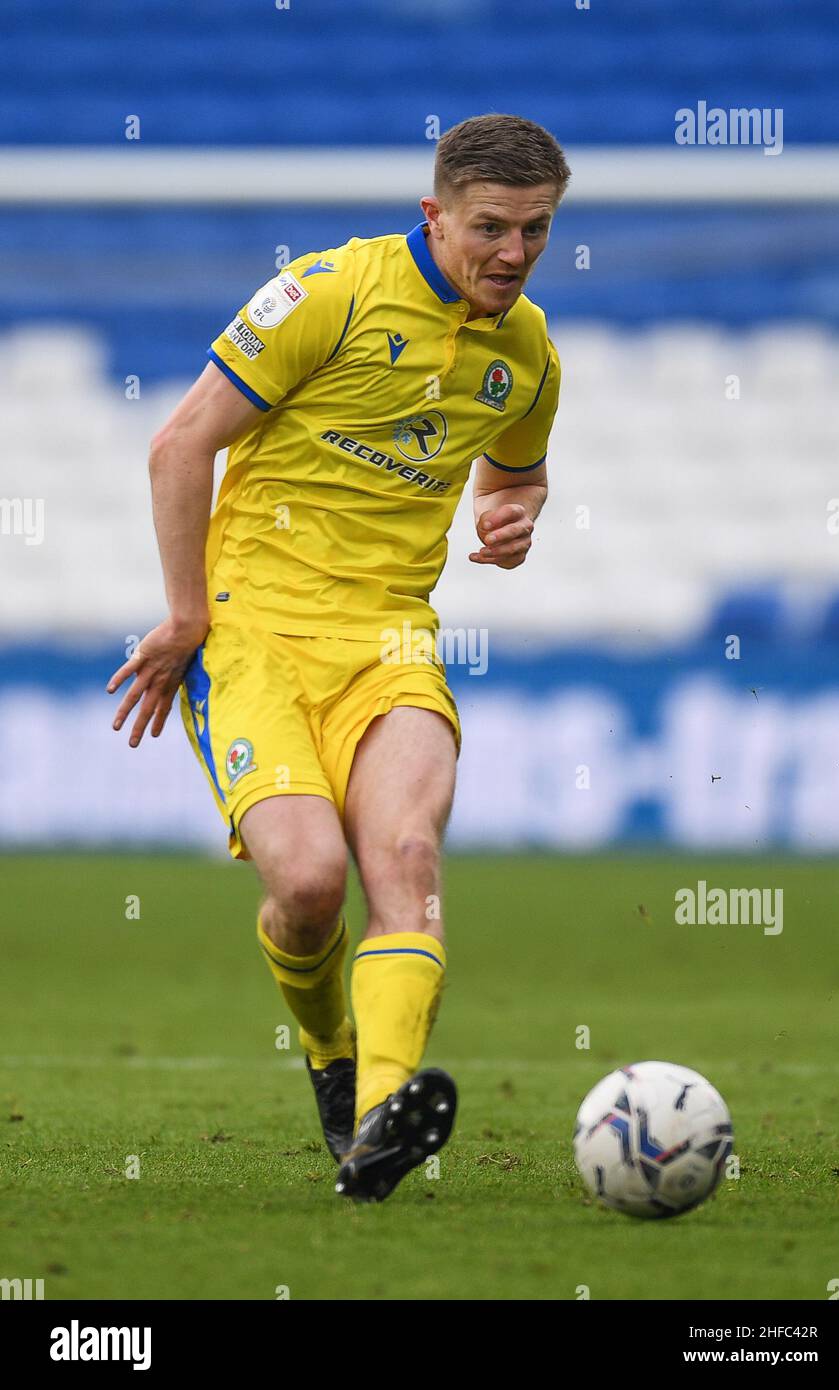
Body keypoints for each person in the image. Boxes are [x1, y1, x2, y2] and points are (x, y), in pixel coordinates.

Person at [108, 112, 569, 1202]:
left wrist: (515, 517)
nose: (512, 254)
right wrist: (182, 618)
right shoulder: (329, 293)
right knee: (310, 884)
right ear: (433, 213)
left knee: (404, 858)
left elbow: (514, 476)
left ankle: (377, 1129)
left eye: (537, 232)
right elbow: (180, 445)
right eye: (491, 228)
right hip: (255, 628)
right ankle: (332, 1056)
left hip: (391, 636)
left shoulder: (526, 354)